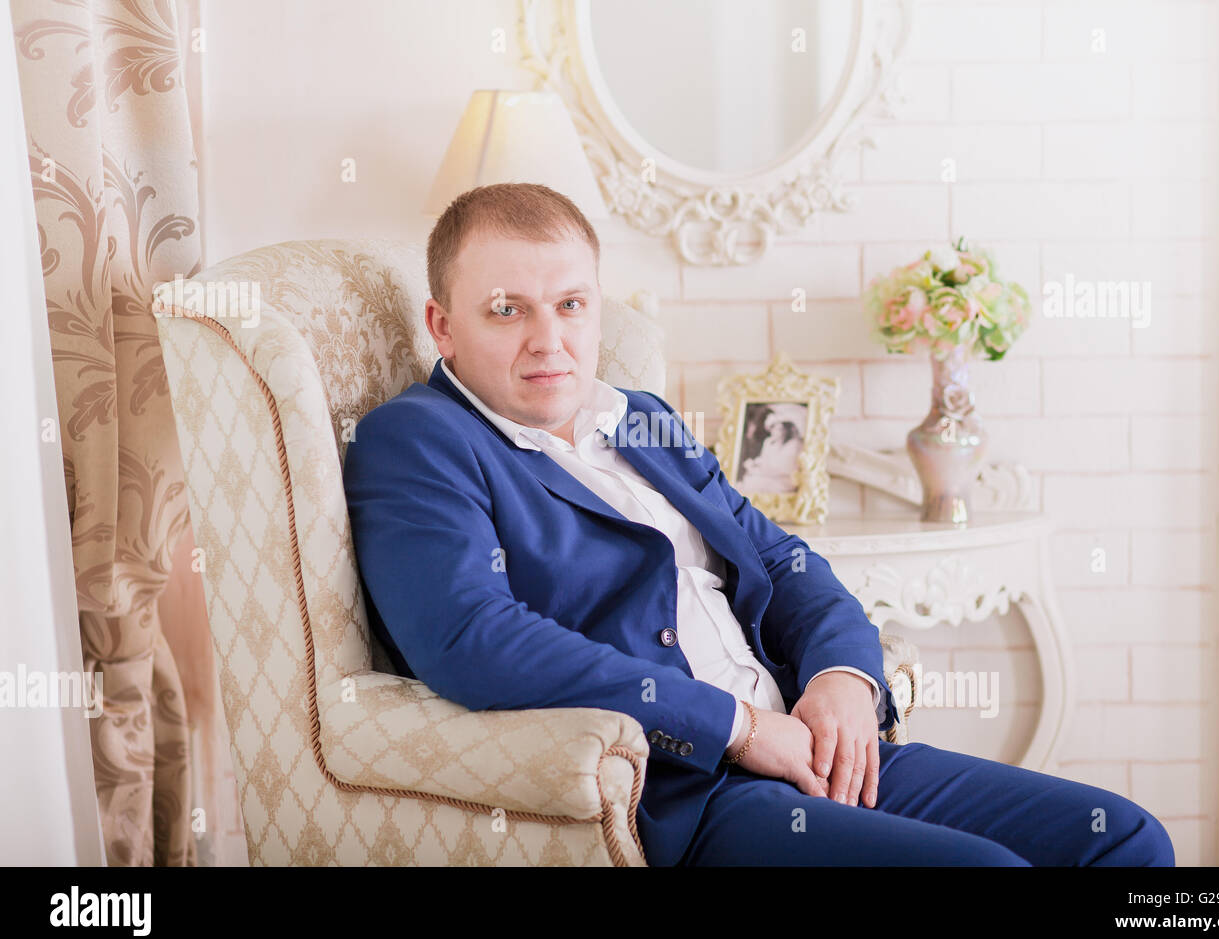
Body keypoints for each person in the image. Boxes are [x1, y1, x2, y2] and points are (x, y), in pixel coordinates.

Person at [341, 183, 1175, 867]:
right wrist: (737, 730)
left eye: (569, 303)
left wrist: (845, 679)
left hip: (814, 744)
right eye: (506, 311)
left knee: (1125, 842)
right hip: (686, 792)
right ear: (442, 325)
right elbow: (473, 639)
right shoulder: (418, 441)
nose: (549, 339)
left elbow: (781, 557)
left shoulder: (641, 419)